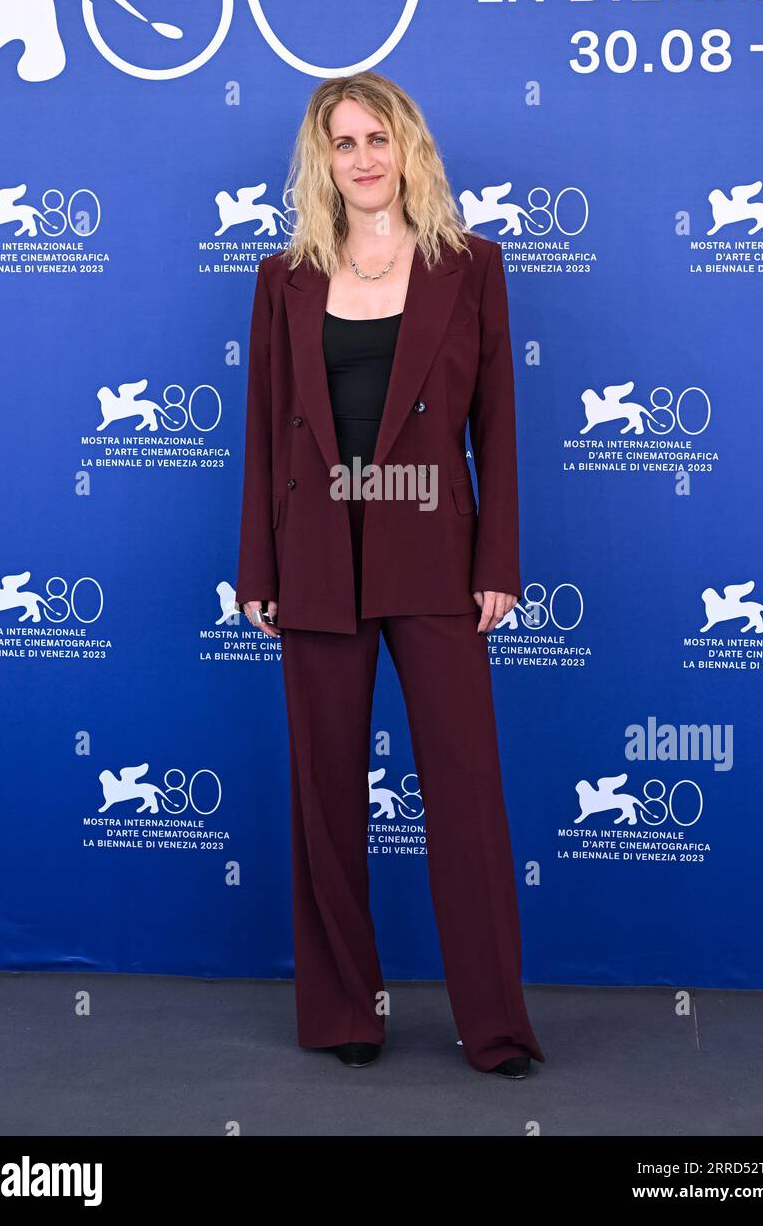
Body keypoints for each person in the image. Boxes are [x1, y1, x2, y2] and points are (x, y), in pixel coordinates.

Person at [235, 71, 545, 1077]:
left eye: (377, 136)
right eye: (342, 142)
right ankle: (343, 1014)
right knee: (324, 798)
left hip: (433, 549)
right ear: (321, 161)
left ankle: (493, 1025)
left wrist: (495, 557)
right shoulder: (282, 276)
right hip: (316, 554)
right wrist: (258, 567)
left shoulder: (472, 266)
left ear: (408, 146)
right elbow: (261, 437)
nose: (362, 157)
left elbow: (496, 428)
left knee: (466, 791)